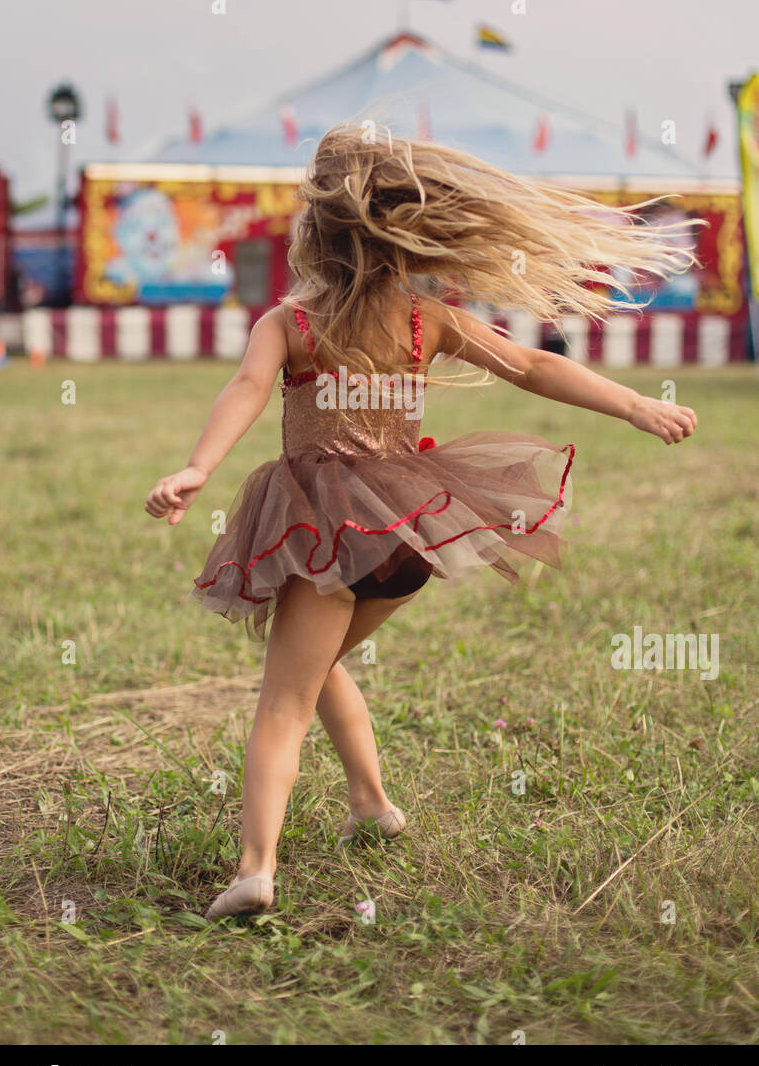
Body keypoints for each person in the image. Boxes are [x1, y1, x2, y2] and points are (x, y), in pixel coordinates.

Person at [144, 126, 697, 921]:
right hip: (409, 536)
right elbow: (534, 365)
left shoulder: (289, 325)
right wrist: (635, 402)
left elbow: (244, 390)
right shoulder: (423, 317)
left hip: (328, 535)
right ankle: (370, 804)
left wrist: (199, 467)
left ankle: (256, 869)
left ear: (313, 234)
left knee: (283, 701)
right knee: (316, 662)